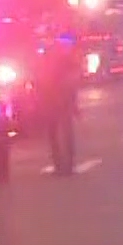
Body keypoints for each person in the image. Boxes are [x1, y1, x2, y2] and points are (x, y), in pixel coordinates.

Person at [38, 36, 83, 176]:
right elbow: (72, 84)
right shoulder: (65, 62)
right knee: (62, 134)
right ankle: (65, 165)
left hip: (56, 102)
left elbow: (44, 82)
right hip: (59, 102)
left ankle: (62, 165)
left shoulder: (52, 61)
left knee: (58, 135)